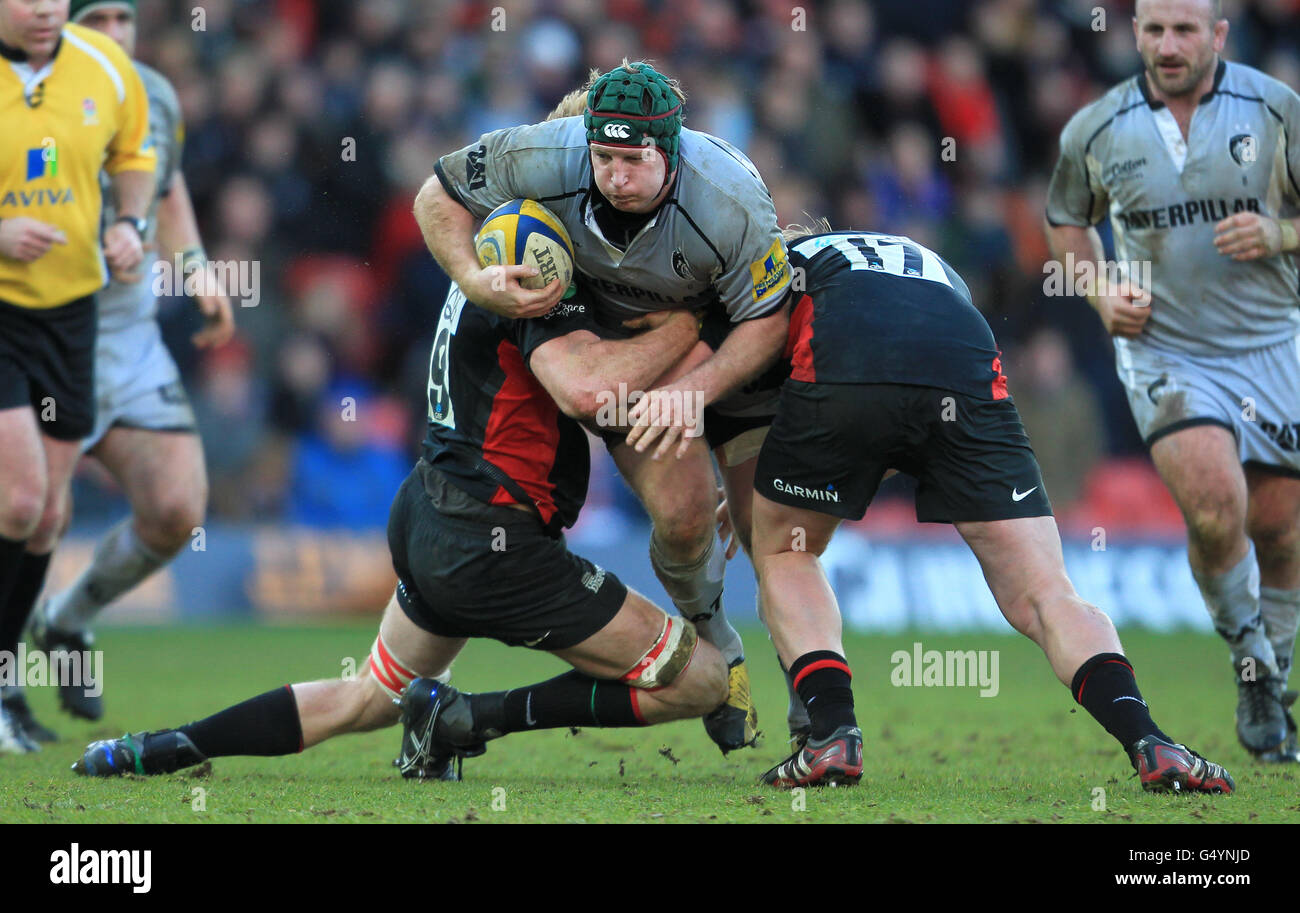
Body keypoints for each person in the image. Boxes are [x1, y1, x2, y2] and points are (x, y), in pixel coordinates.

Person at [74, 283, 728, 779]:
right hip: (490, 540)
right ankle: (468, 718)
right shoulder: (533, 257)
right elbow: (589, 386)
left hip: (429, 509)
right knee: (701, 679)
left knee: (370, 698)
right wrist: (692, 322)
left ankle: (155, 749)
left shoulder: (480, 255)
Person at [742, 225, 1234, 794]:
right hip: (965, 362)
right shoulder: (922, 259)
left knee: (782, 550)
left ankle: (832, 732)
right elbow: (916, 373)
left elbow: (758, 354)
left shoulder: (781, 262)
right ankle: (1151, 741)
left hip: (848, 358)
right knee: (1049, 594)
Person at [416, 60, 794, 753]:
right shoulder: (538, 155)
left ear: (670, 148)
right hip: (581, 340)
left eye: (633, 159)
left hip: (674, 349)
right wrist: (476, 279)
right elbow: (434, 194)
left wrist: (695, 383)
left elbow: (767, 321)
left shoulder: (730, 200)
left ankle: (722, 639)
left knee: (687, 520)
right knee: (379, 680)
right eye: (603, 157)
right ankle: (717, 656)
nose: (615, 176)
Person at [1045, 0, 1300, 762]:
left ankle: (1272, 676)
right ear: (1134, 34)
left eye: (1185, 29)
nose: (1168, 44)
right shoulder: (1097, 127)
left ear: (1218, 35)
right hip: (1169, 350)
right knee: (1218, 509)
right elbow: (1066, 219)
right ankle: (1249, 652)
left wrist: (1280, 231)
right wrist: (1096, 291)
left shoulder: (1276, 109)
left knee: (1282, 530)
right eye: (1154, 29)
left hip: (1271, 343)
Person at [13, 0, 236, 743]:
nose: (112, 31)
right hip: (28, 314)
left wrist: (195, 268)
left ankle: (66, 620)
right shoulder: (35, 81)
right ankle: (7, 684)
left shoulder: (142, 90)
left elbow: (163, 186)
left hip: (122, 334)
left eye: (123, 15)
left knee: (177, 509)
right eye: (95, 16)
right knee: (33, 509)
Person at [0, 0, 155, 753]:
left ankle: (4, 685)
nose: (42, 10)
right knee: (21, 499)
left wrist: (131, 224)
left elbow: (135, 156)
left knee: (49, 516)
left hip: (70, 311)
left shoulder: (103, 68)